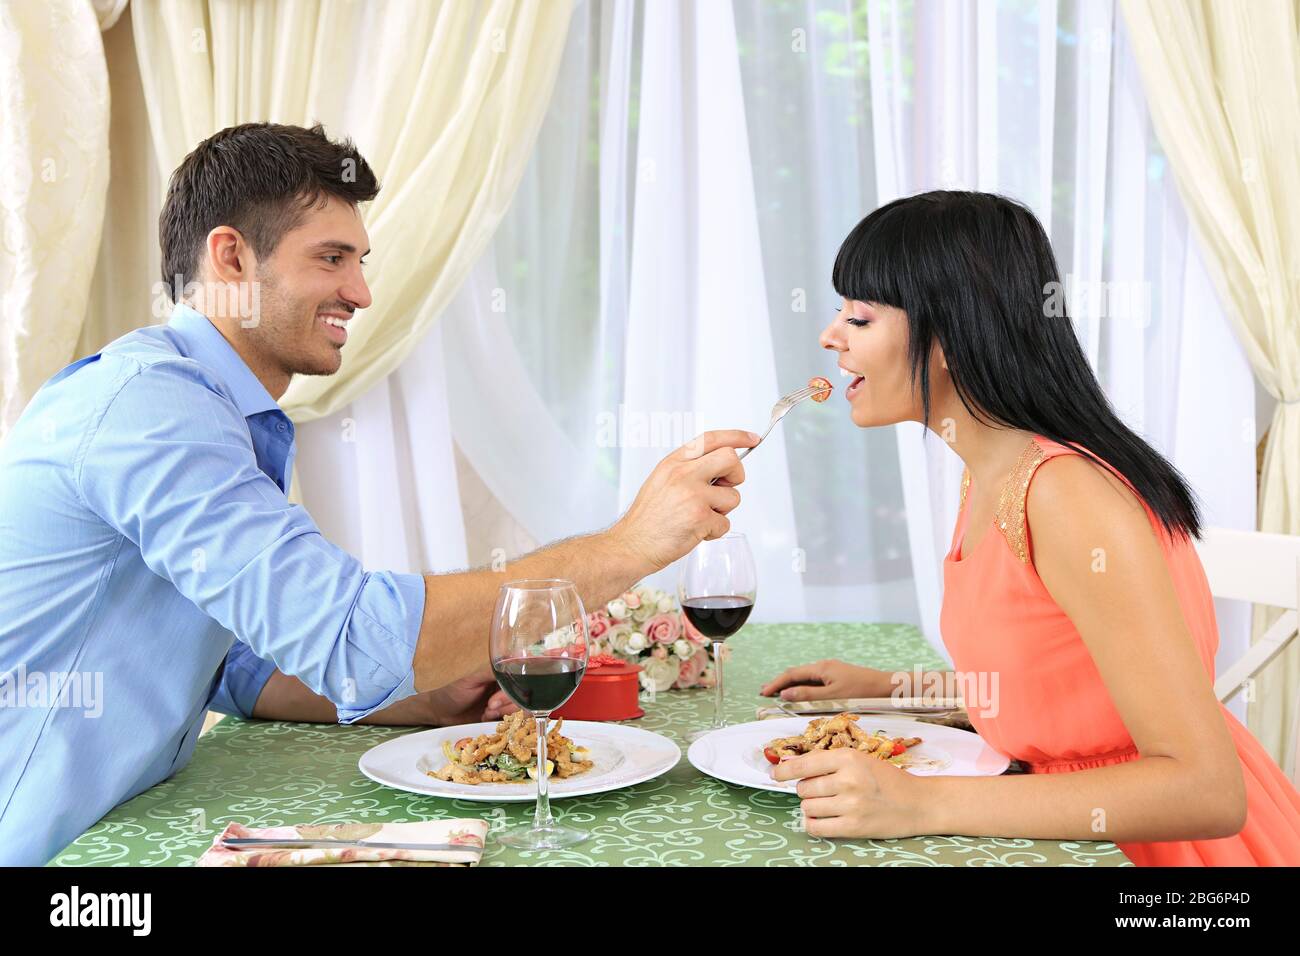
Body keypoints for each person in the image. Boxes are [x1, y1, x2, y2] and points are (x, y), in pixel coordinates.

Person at [0, 123, 756, 865]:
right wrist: (629, 546)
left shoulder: (216, 410)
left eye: (360, 261)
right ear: (230, 257)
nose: (360, 292)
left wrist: (420, 702)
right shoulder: (151, 410)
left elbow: (227, 664)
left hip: (118, 824)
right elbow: (350, 637)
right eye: (332, 258)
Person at [760, 190, 1300, 865]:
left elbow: (1208, 790)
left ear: (951, 335)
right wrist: (892, 689)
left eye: (860, 317)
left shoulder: (1067, 496)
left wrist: (921, 803)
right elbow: (1059, 688)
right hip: (1047, 825)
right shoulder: (988, 470)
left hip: (1143, 849)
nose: (830, 335)